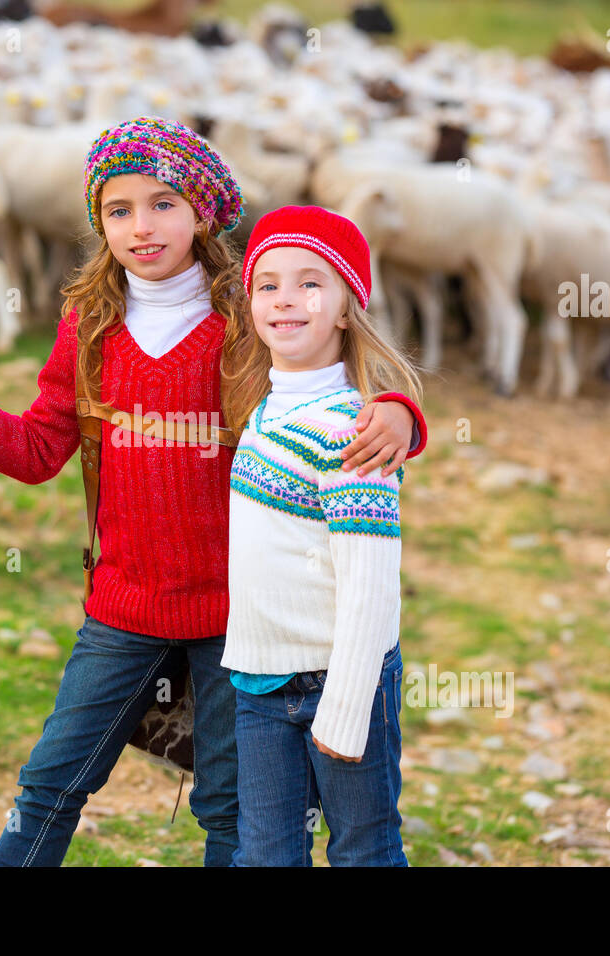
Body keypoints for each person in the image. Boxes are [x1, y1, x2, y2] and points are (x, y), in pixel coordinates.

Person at [0, 118, 427, 866]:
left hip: (235, 616)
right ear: (98, 222)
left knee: (233, 809)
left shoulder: (247, 317)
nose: (142, 227)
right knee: (51, 780)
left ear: (203, 212)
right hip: (125, 604)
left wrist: (401, 411)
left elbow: (335, 378)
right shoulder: (90, 325)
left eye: (164, 203)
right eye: (119, 210)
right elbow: (41, 446)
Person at [223, 205, 419, 866]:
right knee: (265, 856)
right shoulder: (264, 411)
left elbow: (370, 584)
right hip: (258, 682)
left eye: (311, 283)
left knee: (364, 850)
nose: (286, 299)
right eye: (268, 283)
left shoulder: (349, 433)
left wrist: (345, 702)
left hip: (338, 678)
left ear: (345, 308)